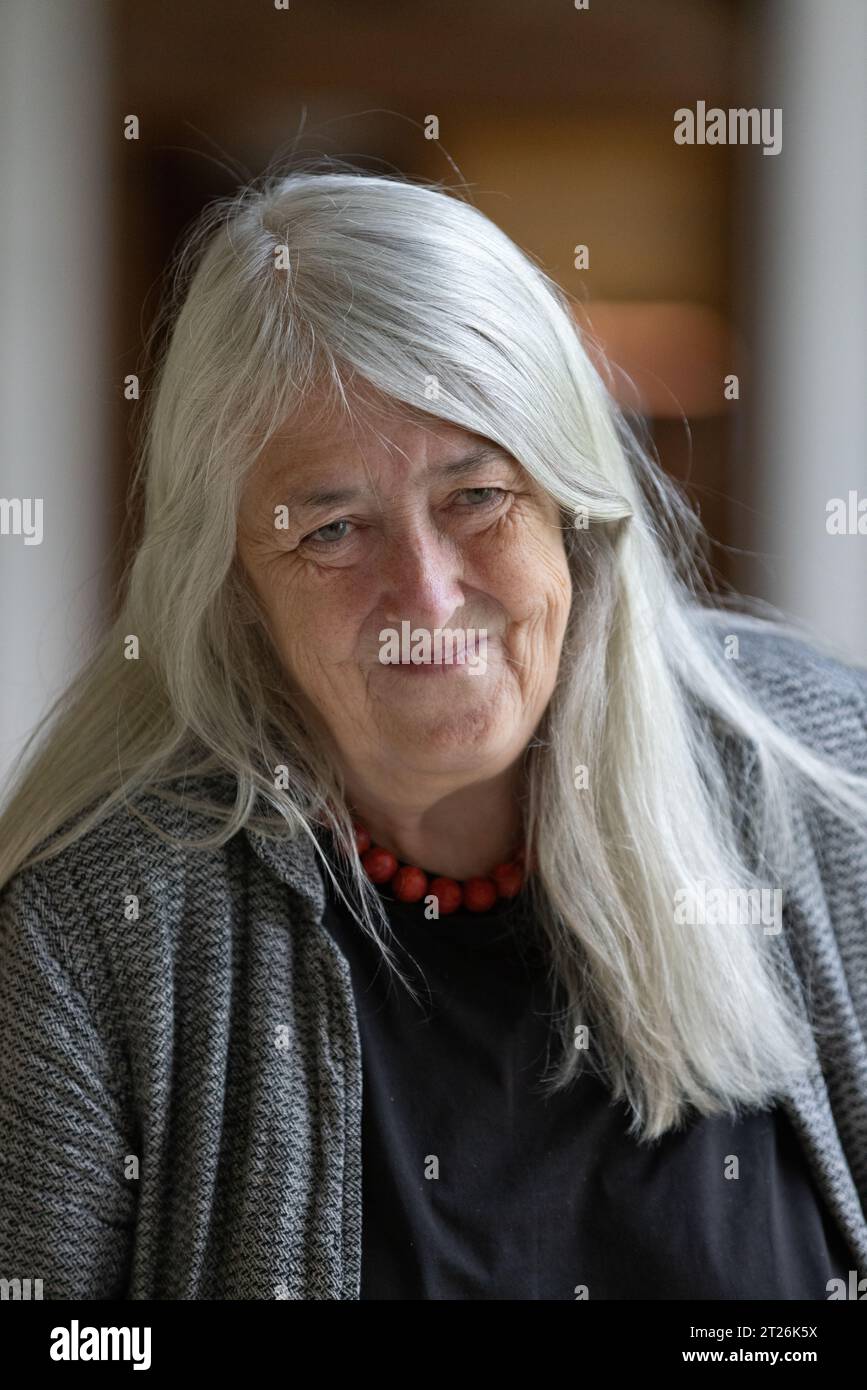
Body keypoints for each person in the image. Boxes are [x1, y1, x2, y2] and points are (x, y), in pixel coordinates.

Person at [1, 164, 866, 1301]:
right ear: (235, 593)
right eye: (334, 529)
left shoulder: (828, 783)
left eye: (478, 497)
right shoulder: (90, 931)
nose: (429, 595)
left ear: (574, 507)